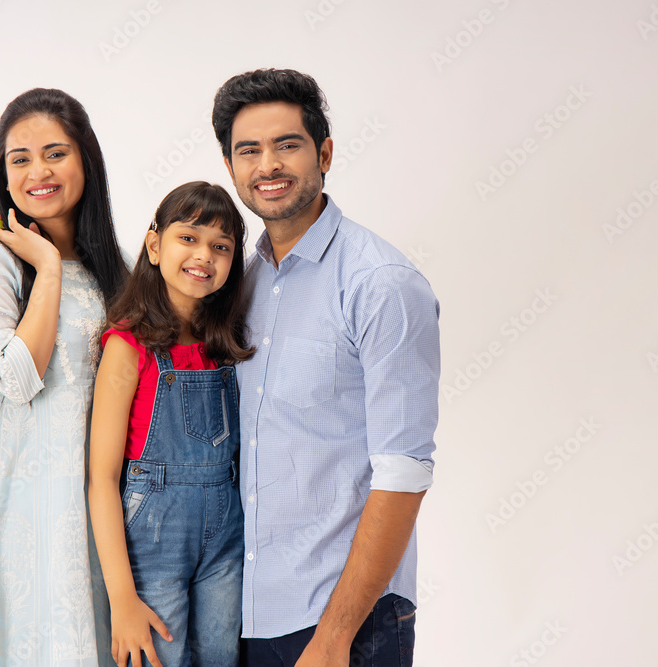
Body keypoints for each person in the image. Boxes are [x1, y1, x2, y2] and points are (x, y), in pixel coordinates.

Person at [211, 68, 441, 666]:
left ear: (325, 154)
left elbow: (404, 471)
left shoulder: (380, 284)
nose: (268, 165)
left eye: (287, 144)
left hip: (347, 625)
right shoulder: (241, 284)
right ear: (231, 167)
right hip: (249, 618)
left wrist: (335, 636)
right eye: (248, 150)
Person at [0, 88, 128, 666]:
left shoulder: (113, 269)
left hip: (99, 504)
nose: (38, 172)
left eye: (55, 153)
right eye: (19, 159)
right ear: (3, 175)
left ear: (86, 161)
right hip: (20, 504)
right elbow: (17, 378)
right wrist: (47, 267)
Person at [88, 181, 254, 667]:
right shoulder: (127, 345)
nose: (204, 255)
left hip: (227, 536)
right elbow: (102, 479)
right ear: (154, 245)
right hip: (153, 539)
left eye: (221, 246)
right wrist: (122, 599)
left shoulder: (228, 344)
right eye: (189, 238)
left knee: (222, 656)